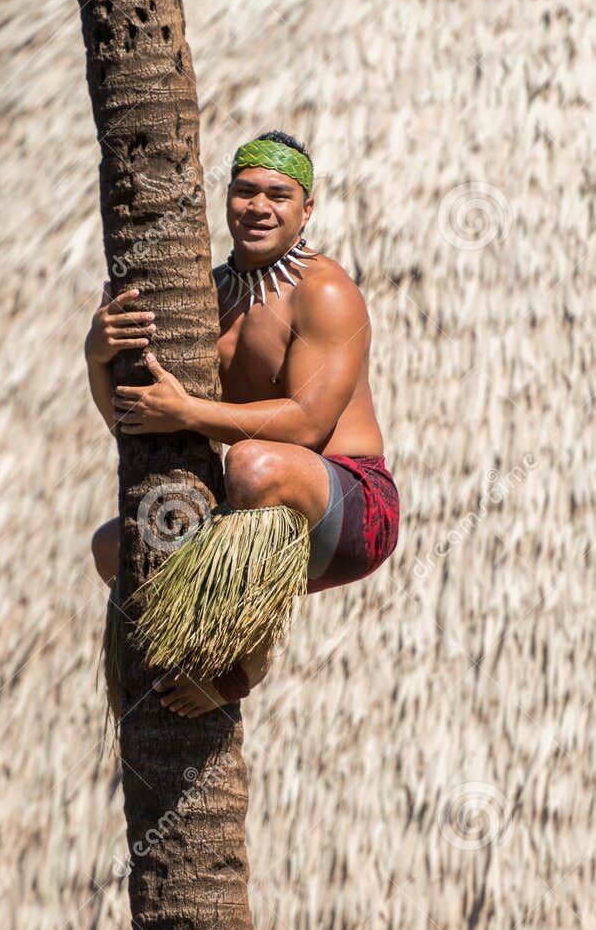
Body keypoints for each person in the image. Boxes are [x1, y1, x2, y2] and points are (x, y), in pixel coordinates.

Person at [85, 130, 400, 717]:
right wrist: (97, 355)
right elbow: (133, 427)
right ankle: (171, 660)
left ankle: (240, 668)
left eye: (278, 195)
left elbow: (307, 423)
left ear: (307, 209)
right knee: (113, 547)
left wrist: (188, 411)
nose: (259, 207)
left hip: (350, 505)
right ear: (225, 198)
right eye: (245, 191)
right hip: (245, 503)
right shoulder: (201, 297)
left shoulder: (325, 292)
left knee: (253, 465)